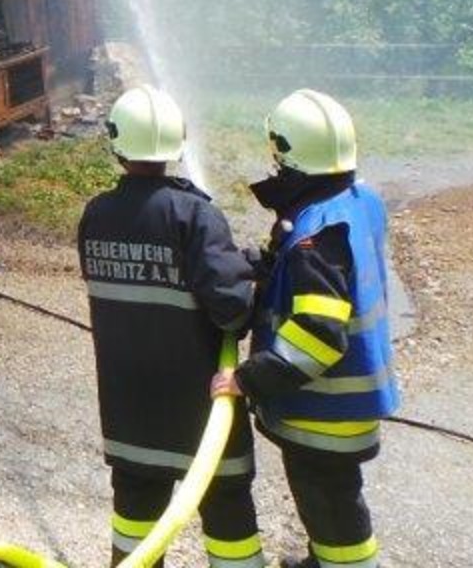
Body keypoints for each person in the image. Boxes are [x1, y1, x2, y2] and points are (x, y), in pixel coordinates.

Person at [211, 89, 400, 568]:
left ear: (286, 153)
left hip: (324, 409)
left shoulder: (316, 240)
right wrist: (268, 263)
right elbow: (334, 273)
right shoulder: (357, 201)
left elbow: (318, 334)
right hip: (349, 403)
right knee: (334, 502)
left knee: (331, 509)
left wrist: (246, 379)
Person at [79, 86, 264, 568]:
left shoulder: (96, 215)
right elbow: (232, 309)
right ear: (178, 143)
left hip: (128, 407)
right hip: (200, 410)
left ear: (117, 144)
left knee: (136, 519)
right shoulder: (194, 215)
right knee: (227, 513)